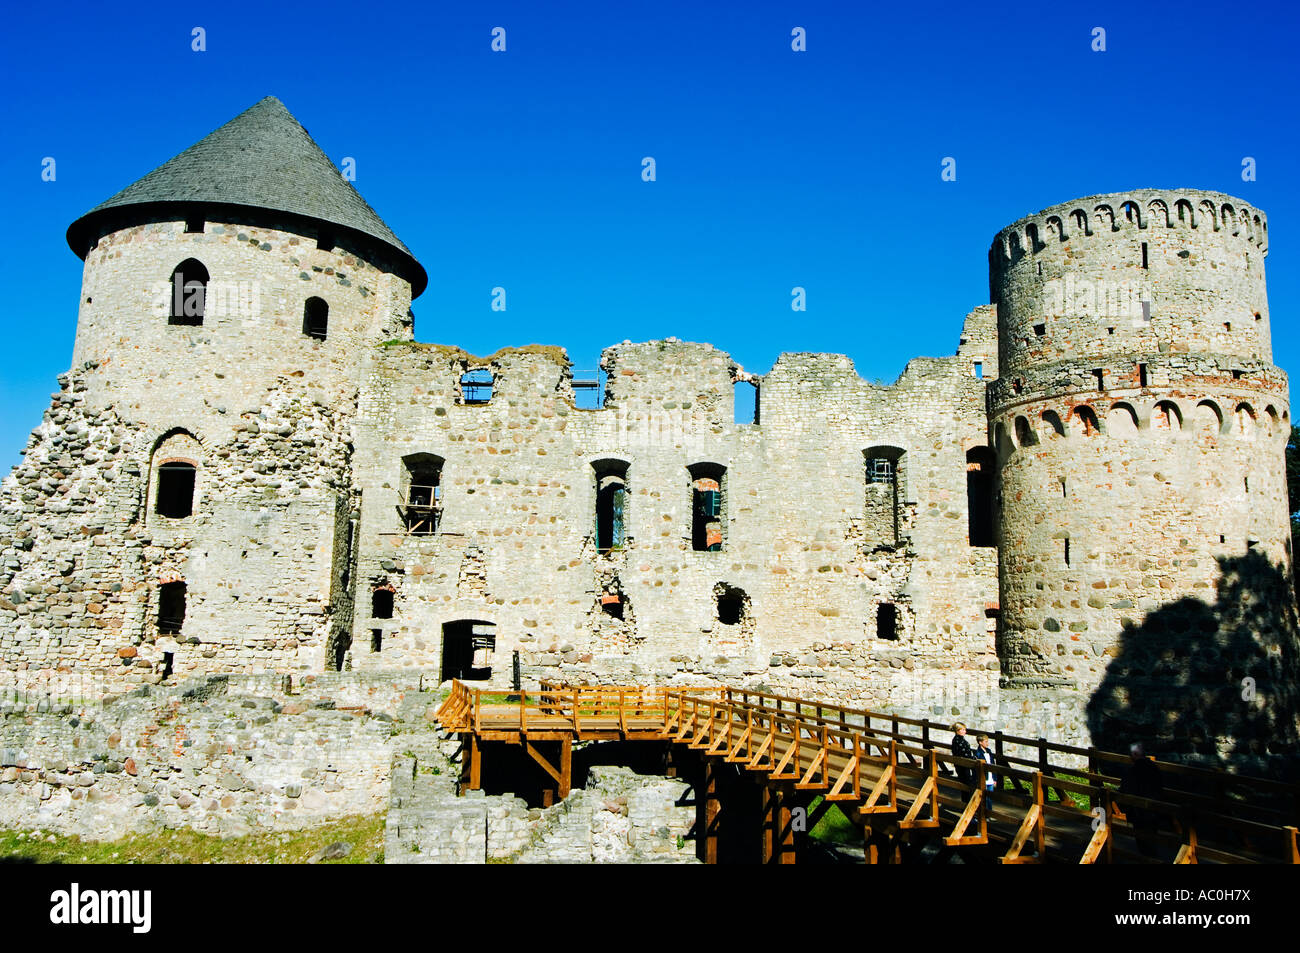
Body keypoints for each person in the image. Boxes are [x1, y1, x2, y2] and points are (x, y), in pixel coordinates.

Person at [1119, 742, 1164, 859]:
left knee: (1142, 844)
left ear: (1134, 754)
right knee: (1152, 839)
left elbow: (1125, 791)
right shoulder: (1154, 768)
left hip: (1138, 812)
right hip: (1153, 810)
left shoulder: (1131, 771)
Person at [974, 733, 997, 808]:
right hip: (984, 778)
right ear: (980, 742)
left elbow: (993, 764)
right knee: (983, 797)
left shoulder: (989, 751)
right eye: (985, 741)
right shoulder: (978, 753)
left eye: (987, 741)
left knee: (990, 797)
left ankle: (989, 812)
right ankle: (984, 813)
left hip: (990, 777)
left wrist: (994, 778)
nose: (987, 743)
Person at [950, 722, 974, 787]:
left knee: (967, 782)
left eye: (965, 730)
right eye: (962, 730)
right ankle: (966, 796)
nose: (964, 731)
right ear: (957, 731)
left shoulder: (961, 739)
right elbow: (961, 753)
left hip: (965, 763)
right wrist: (971, 758)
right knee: (965, 783)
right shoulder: (957, 740)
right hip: (962, 764)